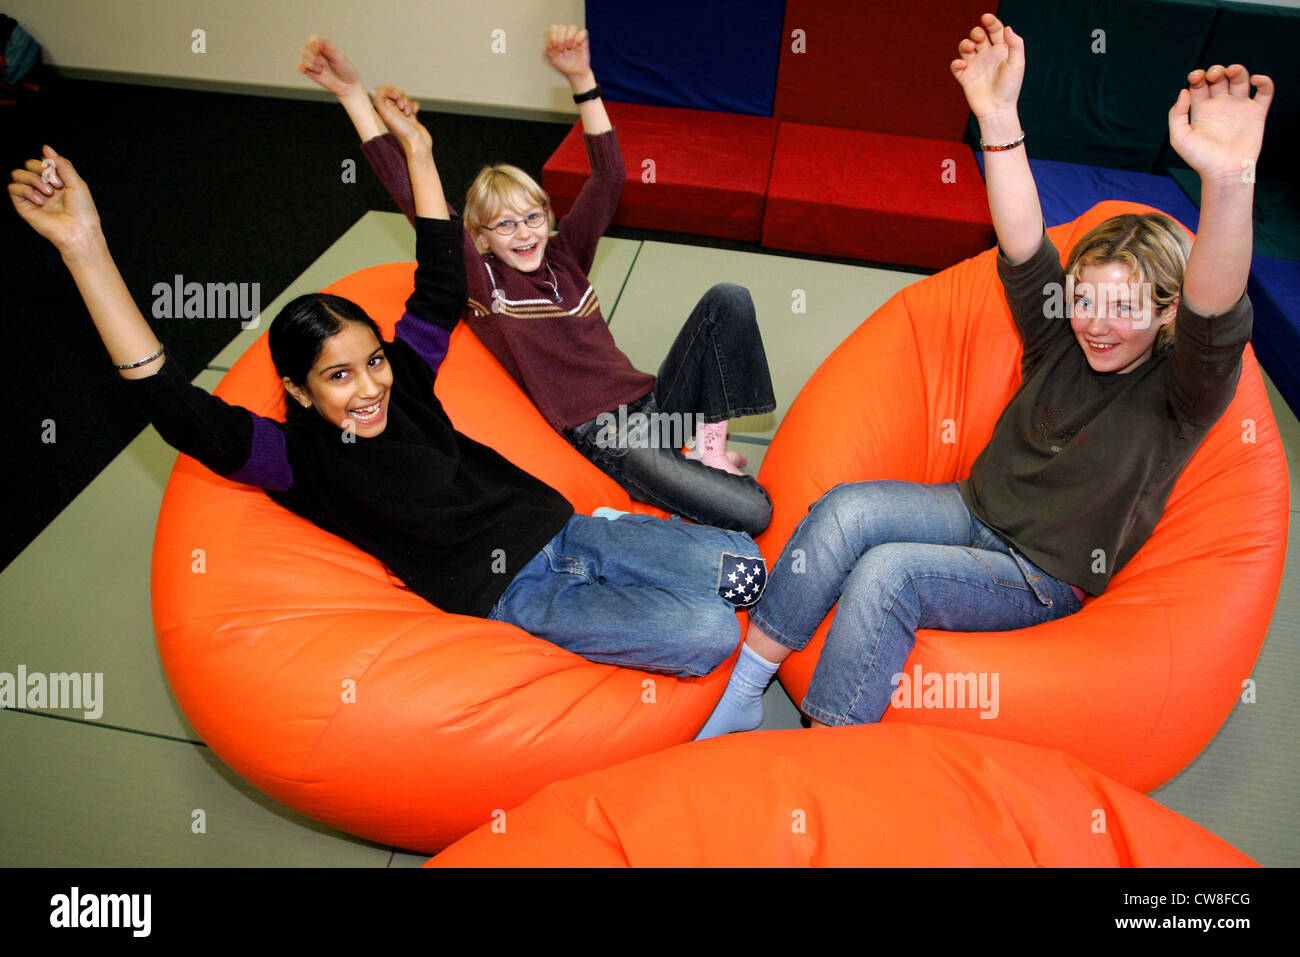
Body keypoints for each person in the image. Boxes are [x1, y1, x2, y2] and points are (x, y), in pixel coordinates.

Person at [9, 88, 766, 679]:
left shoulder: (402, 379)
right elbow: (174, 406)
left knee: (746, 569)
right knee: (703, 634)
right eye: (337, 375)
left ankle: (644, 555)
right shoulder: (294, 458)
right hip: (516, 592)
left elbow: (440, 274)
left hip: (570, 526)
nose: (369, 386)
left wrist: (418, 148)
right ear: (300, 392)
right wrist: (85, 250)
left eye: (371, 360)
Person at [697, 12, 1272, 738]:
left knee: (891, 575)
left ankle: (828, 750)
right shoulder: (1062, 337)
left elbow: (1215, 310)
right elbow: (1025, 244)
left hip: (1042, 573)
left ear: (1165, 314)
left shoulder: (1182, 390)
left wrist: (1227, 180)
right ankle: (745, 688)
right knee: (844, 511)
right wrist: (997, 116)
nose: (1096, 322)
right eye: (1086, 299)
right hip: (971, 510)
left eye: (1123, 307)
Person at [297, 25, 776, 537]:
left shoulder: (567, 255)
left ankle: (708, 447)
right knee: (756, 513)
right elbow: (414, 201)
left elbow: (609, 178)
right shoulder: (482, 282)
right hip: (610, 435)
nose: (523, 234)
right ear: (480, 235)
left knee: (728, 298)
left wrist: (583, 78)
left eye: (531, 217)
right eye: (503, 224)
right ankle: (678, 489)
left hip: (654, 402)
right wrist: (352, 95)